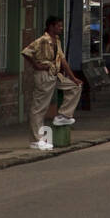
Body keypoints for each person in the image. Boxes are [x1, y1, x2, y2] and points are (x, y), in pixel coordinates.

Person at [22, 16, 83, 150]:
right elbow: (26, 52)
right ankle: (36, 139)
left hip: (55, 74)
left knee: (75, 86)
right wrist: (36, 65)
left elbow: (63, 60)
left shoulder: (57, 41)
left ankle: (64, 115)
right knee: (39, 107)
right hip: (44, 74)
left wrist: (73, 78)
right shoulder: (43, 40)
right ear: (51, 26)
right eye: (58, 26)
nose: (61, 28)